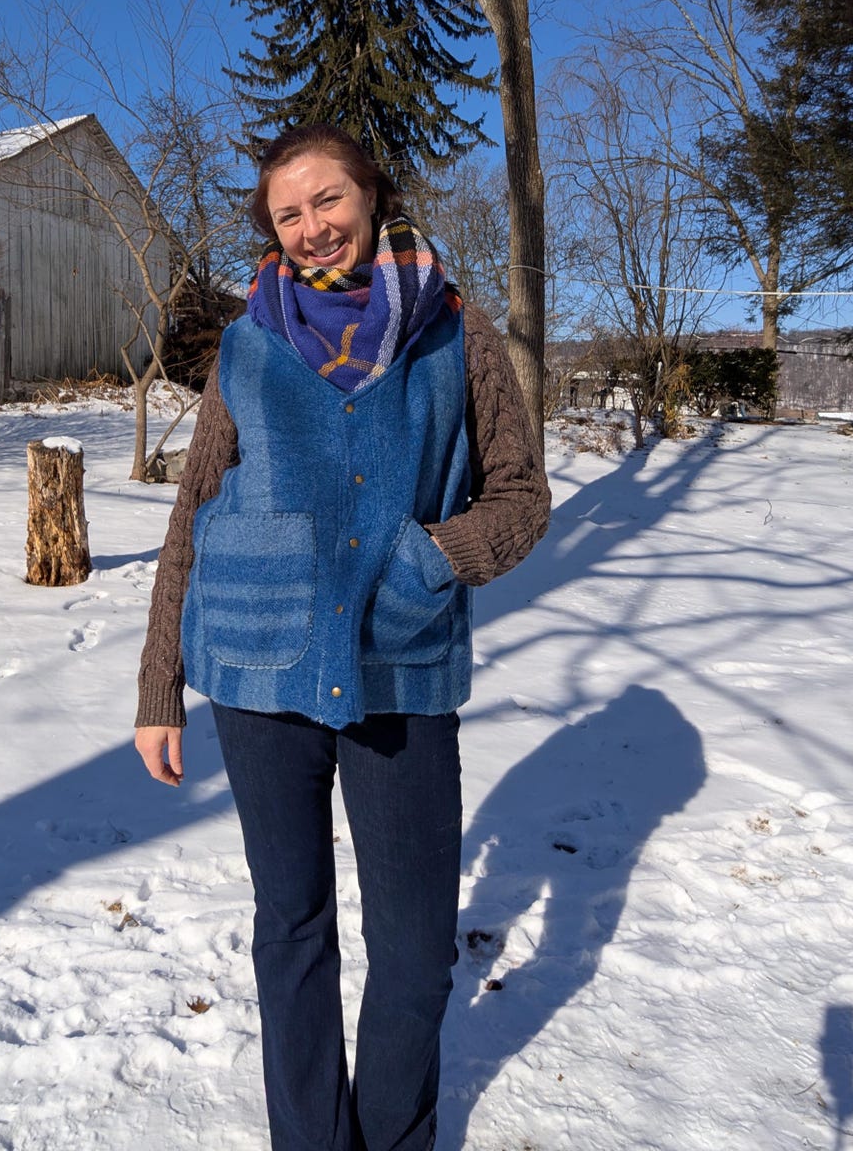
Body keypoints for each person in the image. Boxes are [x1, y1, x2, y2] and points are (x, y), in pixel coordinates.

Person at [135, 123, 550, 1151]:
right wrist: (159, 688)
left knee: (414, 948)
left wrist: (429, 561)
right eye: (288, 213)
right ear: (271, 232)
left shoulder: (459, 333)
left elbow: (523, 500)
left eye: (328, 200)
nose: (313, 227)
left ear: (370, 194)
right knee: (293, 928)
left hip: (400, 667)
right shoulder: (249, 340)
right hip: (255, 662)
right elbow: (195, 509)